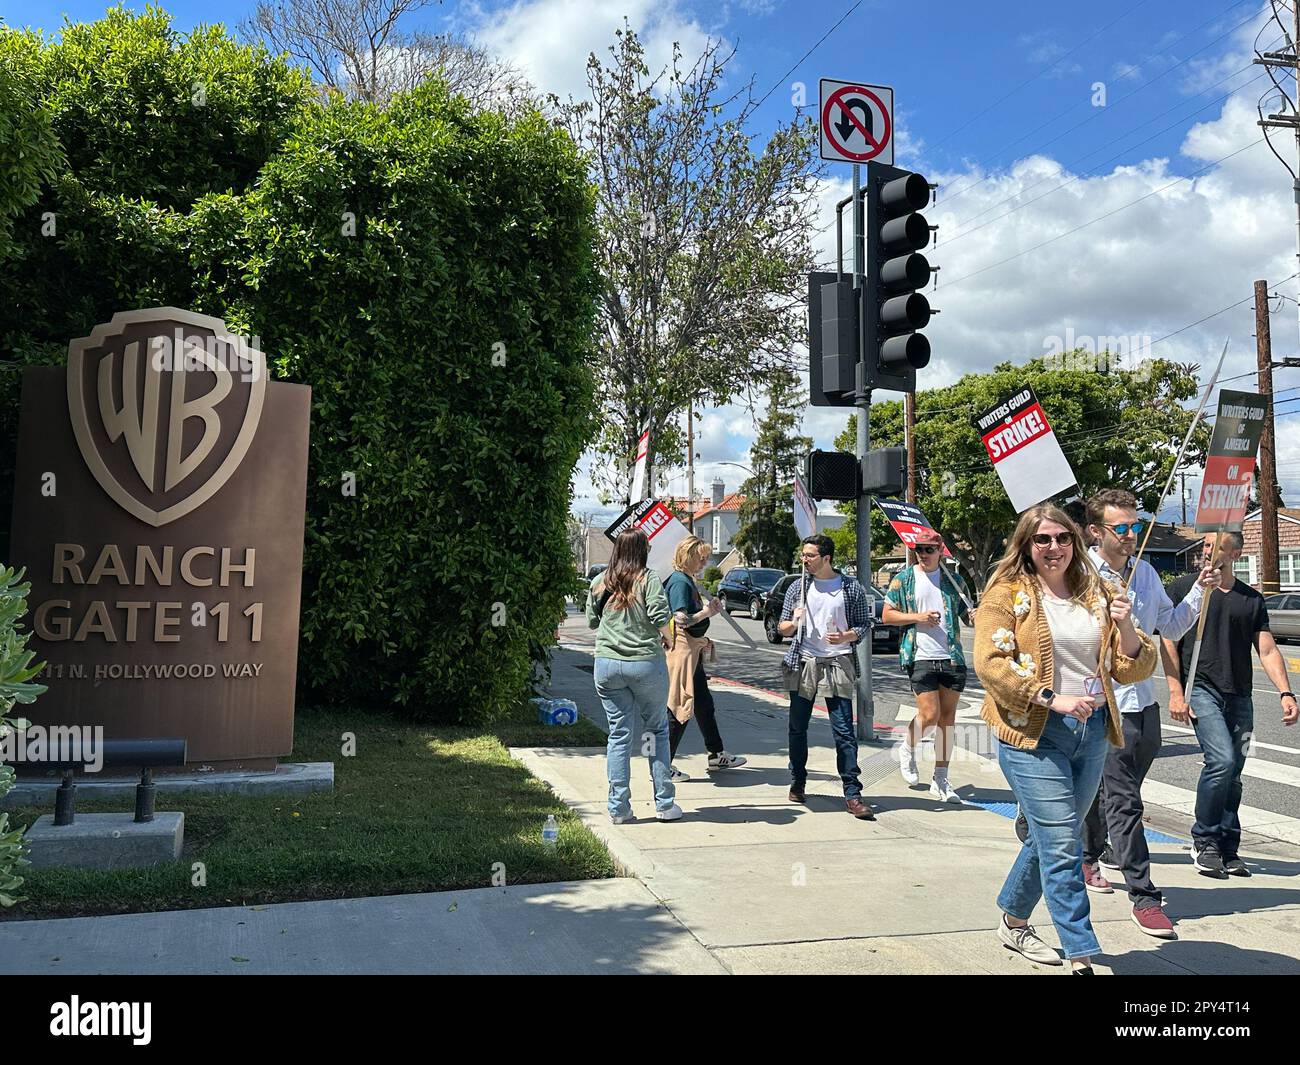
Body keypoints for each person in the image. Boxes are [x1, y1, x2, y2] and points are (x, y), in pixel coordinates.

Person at [975, 504, 1155, 974]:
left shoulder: (1095, 592)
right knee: (1063, 846)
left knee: (1052, 836)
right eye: (1042, 540)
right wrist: (1048, 697)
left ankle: (1013, 921)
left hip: (1092, 731)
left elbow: (1127, 666)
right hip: (1032, 733)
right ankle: (1082, 953)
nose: (1054, 548)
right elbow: (991, 663)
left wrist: (1127, 623)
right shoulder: (1007, 592)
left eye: (1062, 538)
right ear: (1026, 545)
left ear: (1075, 542)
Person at [1079, 489, 1219, 937]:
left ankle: (1086, 852)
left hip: (1143, 702)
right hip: (1103, 704)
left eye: (1134, 526)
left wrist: (1200, 590)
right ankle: (1144, 895)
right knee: (1126, 800)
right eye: (1121, 529)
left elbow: (1171, 626)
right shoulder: (1077, 574)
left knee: (1116, 793)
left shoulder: (1145, 574)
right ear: (1096, 532)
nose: (1131, 535)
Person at [1162, 531, 1299, 879]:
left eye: (1216, 546)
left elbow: (1267, 650)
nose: (1208, 552)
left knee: (1235, 773)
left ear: (1235, 553)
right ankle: (1204, 840)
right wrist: (1176, 692)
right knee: (1221, 761)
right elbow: (1168, 641)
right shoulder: (1186, 589)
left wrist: (1286, 692)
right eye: (1206, 545)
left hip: (1240, 696)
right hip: (1201, 690)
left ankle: (1227, 845)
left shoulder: (1251, 600)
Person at [586, 528, 682, 824]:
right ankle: (664, 804)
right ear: (642, 550)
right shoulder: (649, 578)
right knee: (656, 731)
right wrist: (669, 638)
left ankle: (619, 809)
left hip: (607, 666)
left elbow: (592, 621)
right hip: (644, 665)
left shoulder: (600, 582)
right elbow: (658, 614)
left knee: (619, 735)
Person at [777, 534, 875, 819]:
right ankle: (797, 780)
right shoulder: (798, 587)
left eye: (810, 556)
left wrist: (847, 635)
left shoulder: (850, 587)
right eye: (803, 555)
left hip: (838, 661)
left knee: (843, 729)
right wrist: (794, 622)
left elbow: (864, 623)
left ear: (827, 558)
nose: (804, 560)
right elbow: (783, 628)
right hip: (805, 661)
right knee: (797, 726)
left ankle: (852, 793)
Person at [882, 530, 973, 802]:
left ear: (940, 550)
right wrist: (918, 617)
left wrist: (975, 614)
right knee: (930, 715)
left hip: (952, 657)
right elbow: (887, 615)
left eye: (928, 549)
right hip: (920, 655)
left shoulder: (954, 581)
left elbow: (967, 617)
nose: (923, 554)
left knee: (947, 721)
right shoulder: (904, 579)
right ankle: (907, 748)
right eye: (919, 549)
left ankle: (941, 778)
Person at [664, 536, 748, 781]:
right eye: (701, 557)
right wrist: (706, 612)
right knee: (680, 706)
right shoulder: (680, 582)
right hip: (684, 652)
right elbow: (681, 619)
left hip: (692, 650)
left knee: (703, 703)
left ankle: (716, 753)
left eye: (706, 557)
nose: (705, 562)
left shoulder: (685, 579)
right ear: (688, 556)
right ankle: (662, 765)